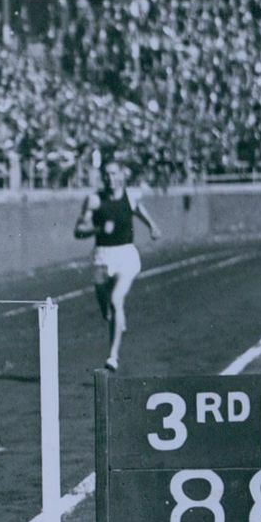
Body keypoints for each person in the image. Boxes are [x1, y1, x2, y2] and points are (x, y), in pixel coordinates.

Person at [73, 158, 162, 371]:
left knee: (116, 300)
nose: (110, 179)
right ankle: (117, 319)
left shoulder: (130, 197)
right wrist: (99, 229)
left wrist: (153, 227)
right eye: (106, 174)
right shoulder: (93, 200)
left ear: (122, 175)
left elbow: (141, 212)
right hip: (102, 257)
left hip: (126, 255)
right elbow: (78, 231)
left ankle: (113, 356)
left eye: (114, 174)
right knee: (107, 311)